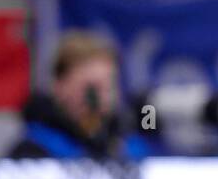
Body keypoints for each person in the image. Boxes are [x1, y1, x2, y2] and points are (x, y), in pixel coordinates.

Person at [8, 30, 148, 159]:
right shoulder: (34, 150)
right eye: (90, 88)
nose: (100, 98)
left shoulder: (130, 142)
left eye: (108, 86)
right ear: (59, 86)